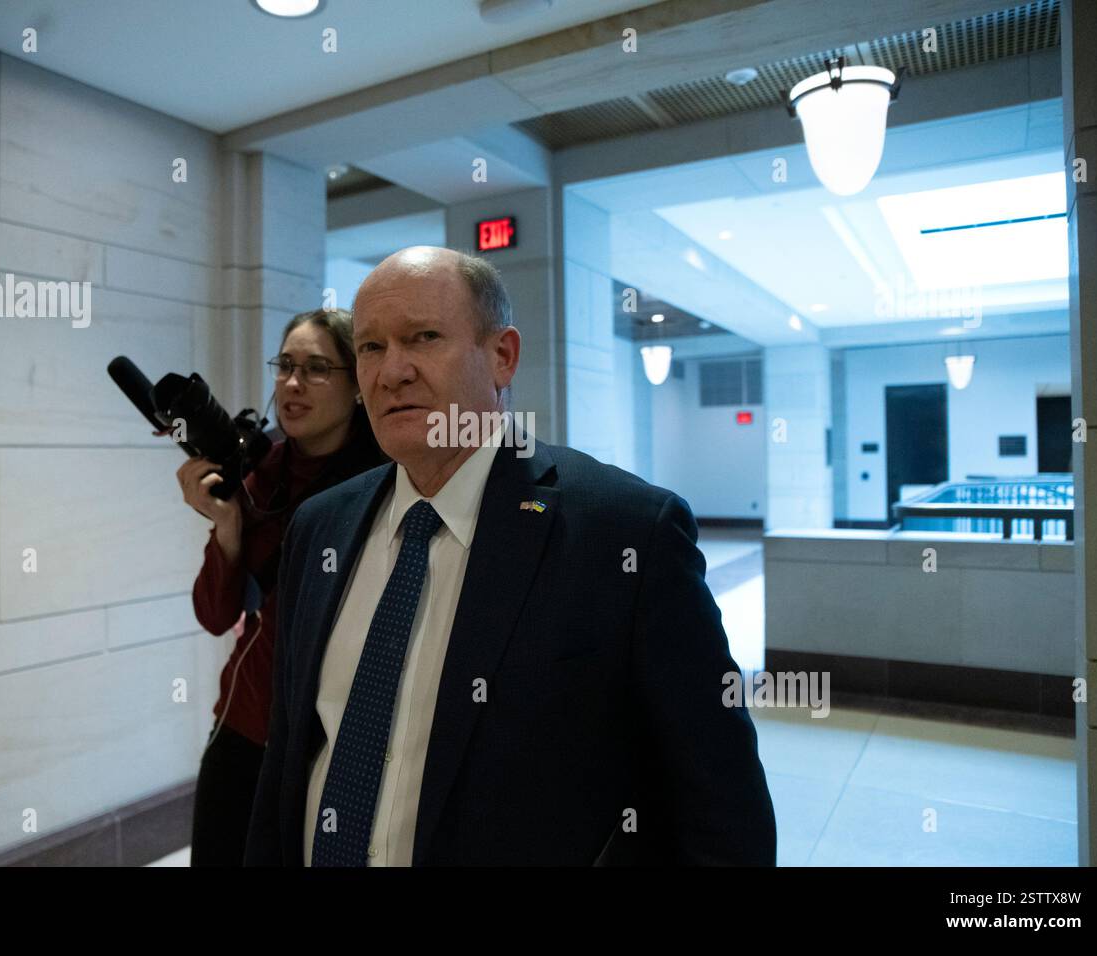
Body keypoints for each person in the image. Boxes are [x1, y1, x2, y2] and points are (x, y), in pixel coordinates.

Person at [245, 247, 776, 866]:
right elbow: (289, 757)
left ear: (502, 356)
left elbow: (720, 804)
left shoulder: (626, 534)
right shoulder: (321, 528)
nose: (392, 372)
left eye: (423, 337)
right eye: (370, 348)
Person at [180, 307, 385, 867]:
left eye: (318, 368)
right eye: (286, 366)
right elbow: (215, 615)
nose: (294, 384)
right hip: (244, 727)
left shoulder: (385, 486)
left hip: (333, 743)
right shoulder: (257, 472)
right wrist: (225, 528)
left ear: (359, 387)